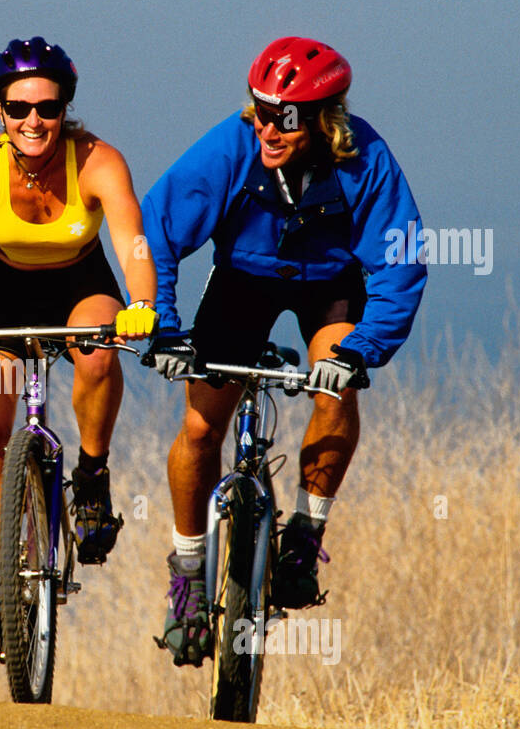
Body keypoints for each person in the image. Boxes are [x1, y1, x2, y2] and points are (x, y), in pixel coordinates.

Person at [142, 36, 427, 666]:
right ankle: (188, 572)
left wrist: (364, 348)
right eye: (261, 109)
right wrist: (163, 327)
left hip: (331, 282)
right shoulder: (234, 144)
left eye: (285, 117)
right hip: (244, 276)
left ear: (325, 119)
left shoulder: (364, 155)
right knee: (198, 425)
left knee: (335, 384)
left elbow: (400, 256)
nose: (268, 127)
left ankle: (305, 532)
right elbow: (156, 225)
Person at [0, 36, 158, 667]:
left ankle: (92, 478)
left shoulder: (98, 161)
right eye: (18, 108)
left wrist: (141, 304)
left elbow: (131, 246)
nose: (32, 121)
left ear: (65, 107)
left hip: (80, 282)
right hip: (3, 290)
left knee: (98, 354)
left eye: (47, 107)